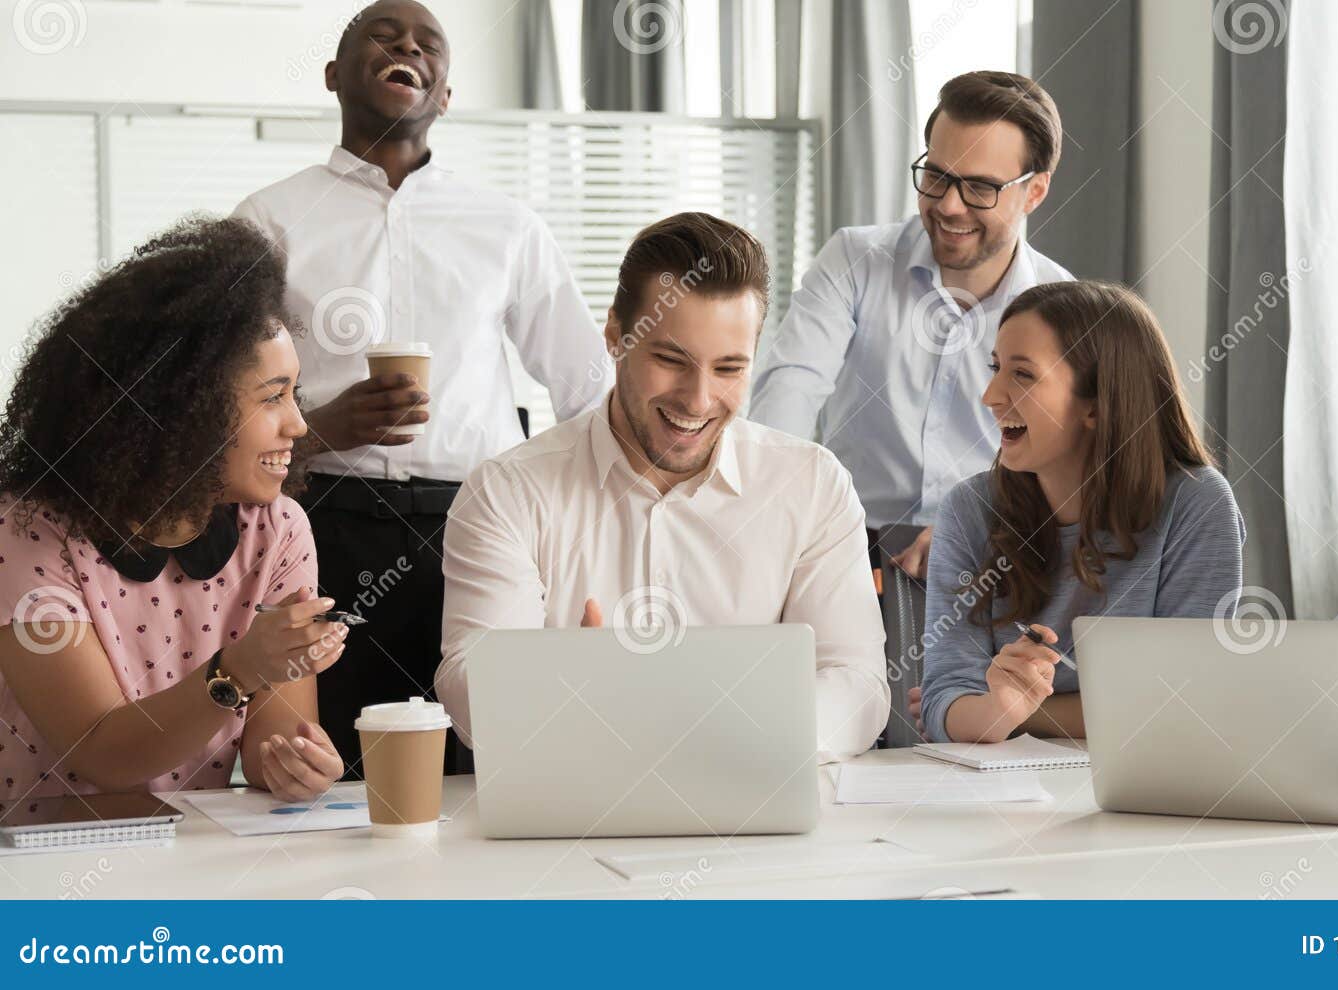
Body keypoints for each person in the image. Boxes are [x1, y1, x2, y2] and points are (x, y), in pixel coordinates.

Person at [233, 0, 610, 776]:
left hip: (479, 532)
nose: (408, 45)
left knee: (495, 763)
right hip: (321, 530)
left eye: (428, 43)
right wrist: (322, 423)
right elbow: (225, 400)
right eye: (384, 34)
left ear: (444, 95)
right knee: (330, 771)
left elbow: (587, 389)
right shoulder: (268, 219)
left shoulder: (507, 225)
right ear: (336, 76)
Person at [436, 213, 889, 762]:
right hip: (569, 814)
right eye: (672, 361)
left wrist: (731, 739)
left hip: (751, 797)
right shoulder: (507, 492)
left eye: (728, 369)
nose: (698, 400)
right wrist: (567, 681)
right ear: (614, 337)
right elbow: (467, 687)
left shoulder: (811, 485)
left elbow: (857, 683)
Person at [0, 216, 348, 821]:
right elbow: (100, 753)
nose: (298, 424)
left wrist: (292, 765)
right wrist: (240, 669)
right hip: (39, 866)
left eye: (295, 393)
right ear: (179, 409)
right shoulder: (26, 533)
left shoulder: (278, 529)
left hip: (189, 860)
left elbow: (270, 745)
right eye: (272, 396)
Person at [748, 70, 1072, 579]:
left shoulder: (1062, 306)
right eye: (938, 176)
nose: (947, 205)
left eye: (980, 188)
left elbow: (1069, 464)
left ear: (1034, 192)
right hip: (845, 541)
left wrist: (985, 522)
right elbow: (790, 388)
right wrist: (767, 511)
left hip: (996, 546)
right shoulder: (857, 259)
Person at [913, 281, 1245, 744]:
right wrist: (998, 707)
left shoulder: (1194, 503)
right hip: (1006, 795)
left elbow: (1189, 704)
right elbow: (944, 706)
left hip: (1147, 789)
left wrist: (1024, 714)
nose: (990, 395)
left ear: (1096, 404)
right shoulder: (969, 511)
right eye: (996, 368)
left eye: (1022, 375)